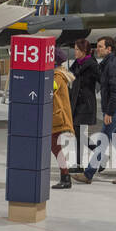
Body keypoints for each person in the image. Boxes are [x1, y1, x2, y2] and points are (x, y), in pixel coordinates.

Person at [72, 36, 116, 184]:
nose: (97, 49)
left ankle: (88, 174)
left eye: (101, 47)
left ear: (109, 49)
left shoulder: (112, 65)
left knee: (103, 141)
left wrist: (110, 112)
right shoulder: (109, 63)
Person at [68, 38, 99, 171]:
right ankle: (83, 162)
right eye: (75, 49)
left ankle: (96, 154)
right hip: (76, 102)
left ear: (84, 50)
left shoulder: (92, 65)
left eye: (77, 49)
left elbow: (102, 80)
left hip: (85, 104)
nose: (75, 52)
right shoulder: (77, 64)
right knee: (78, 134)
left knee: (78, 133)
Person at [51, 50, 76, 189]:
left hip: (58, 118)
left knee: (56, 148)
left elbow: (50, 89)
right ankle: (65, 177)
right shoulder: (59, 74)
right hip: (57, 117)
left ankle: (65, 178)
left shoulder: (57, 77)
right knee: (56, 148)